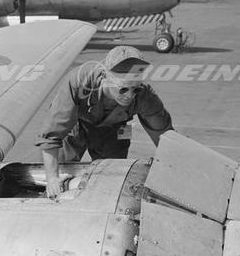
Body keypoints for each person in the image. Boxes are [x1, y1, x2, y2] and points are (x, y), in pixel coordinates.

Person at [37, 45, 173, 198]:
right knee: (60, 175)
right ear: (104, 77)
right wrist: (52, 179)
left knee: (111, 182)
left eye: (135, 89)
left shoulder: (144, 95)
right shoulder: (79, 82)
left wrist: (175, 172)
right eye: (123, 89)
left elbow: (166, 138)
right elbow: (51, 136)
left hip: (113, 130)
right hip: (76, 124)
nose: (129, 96)